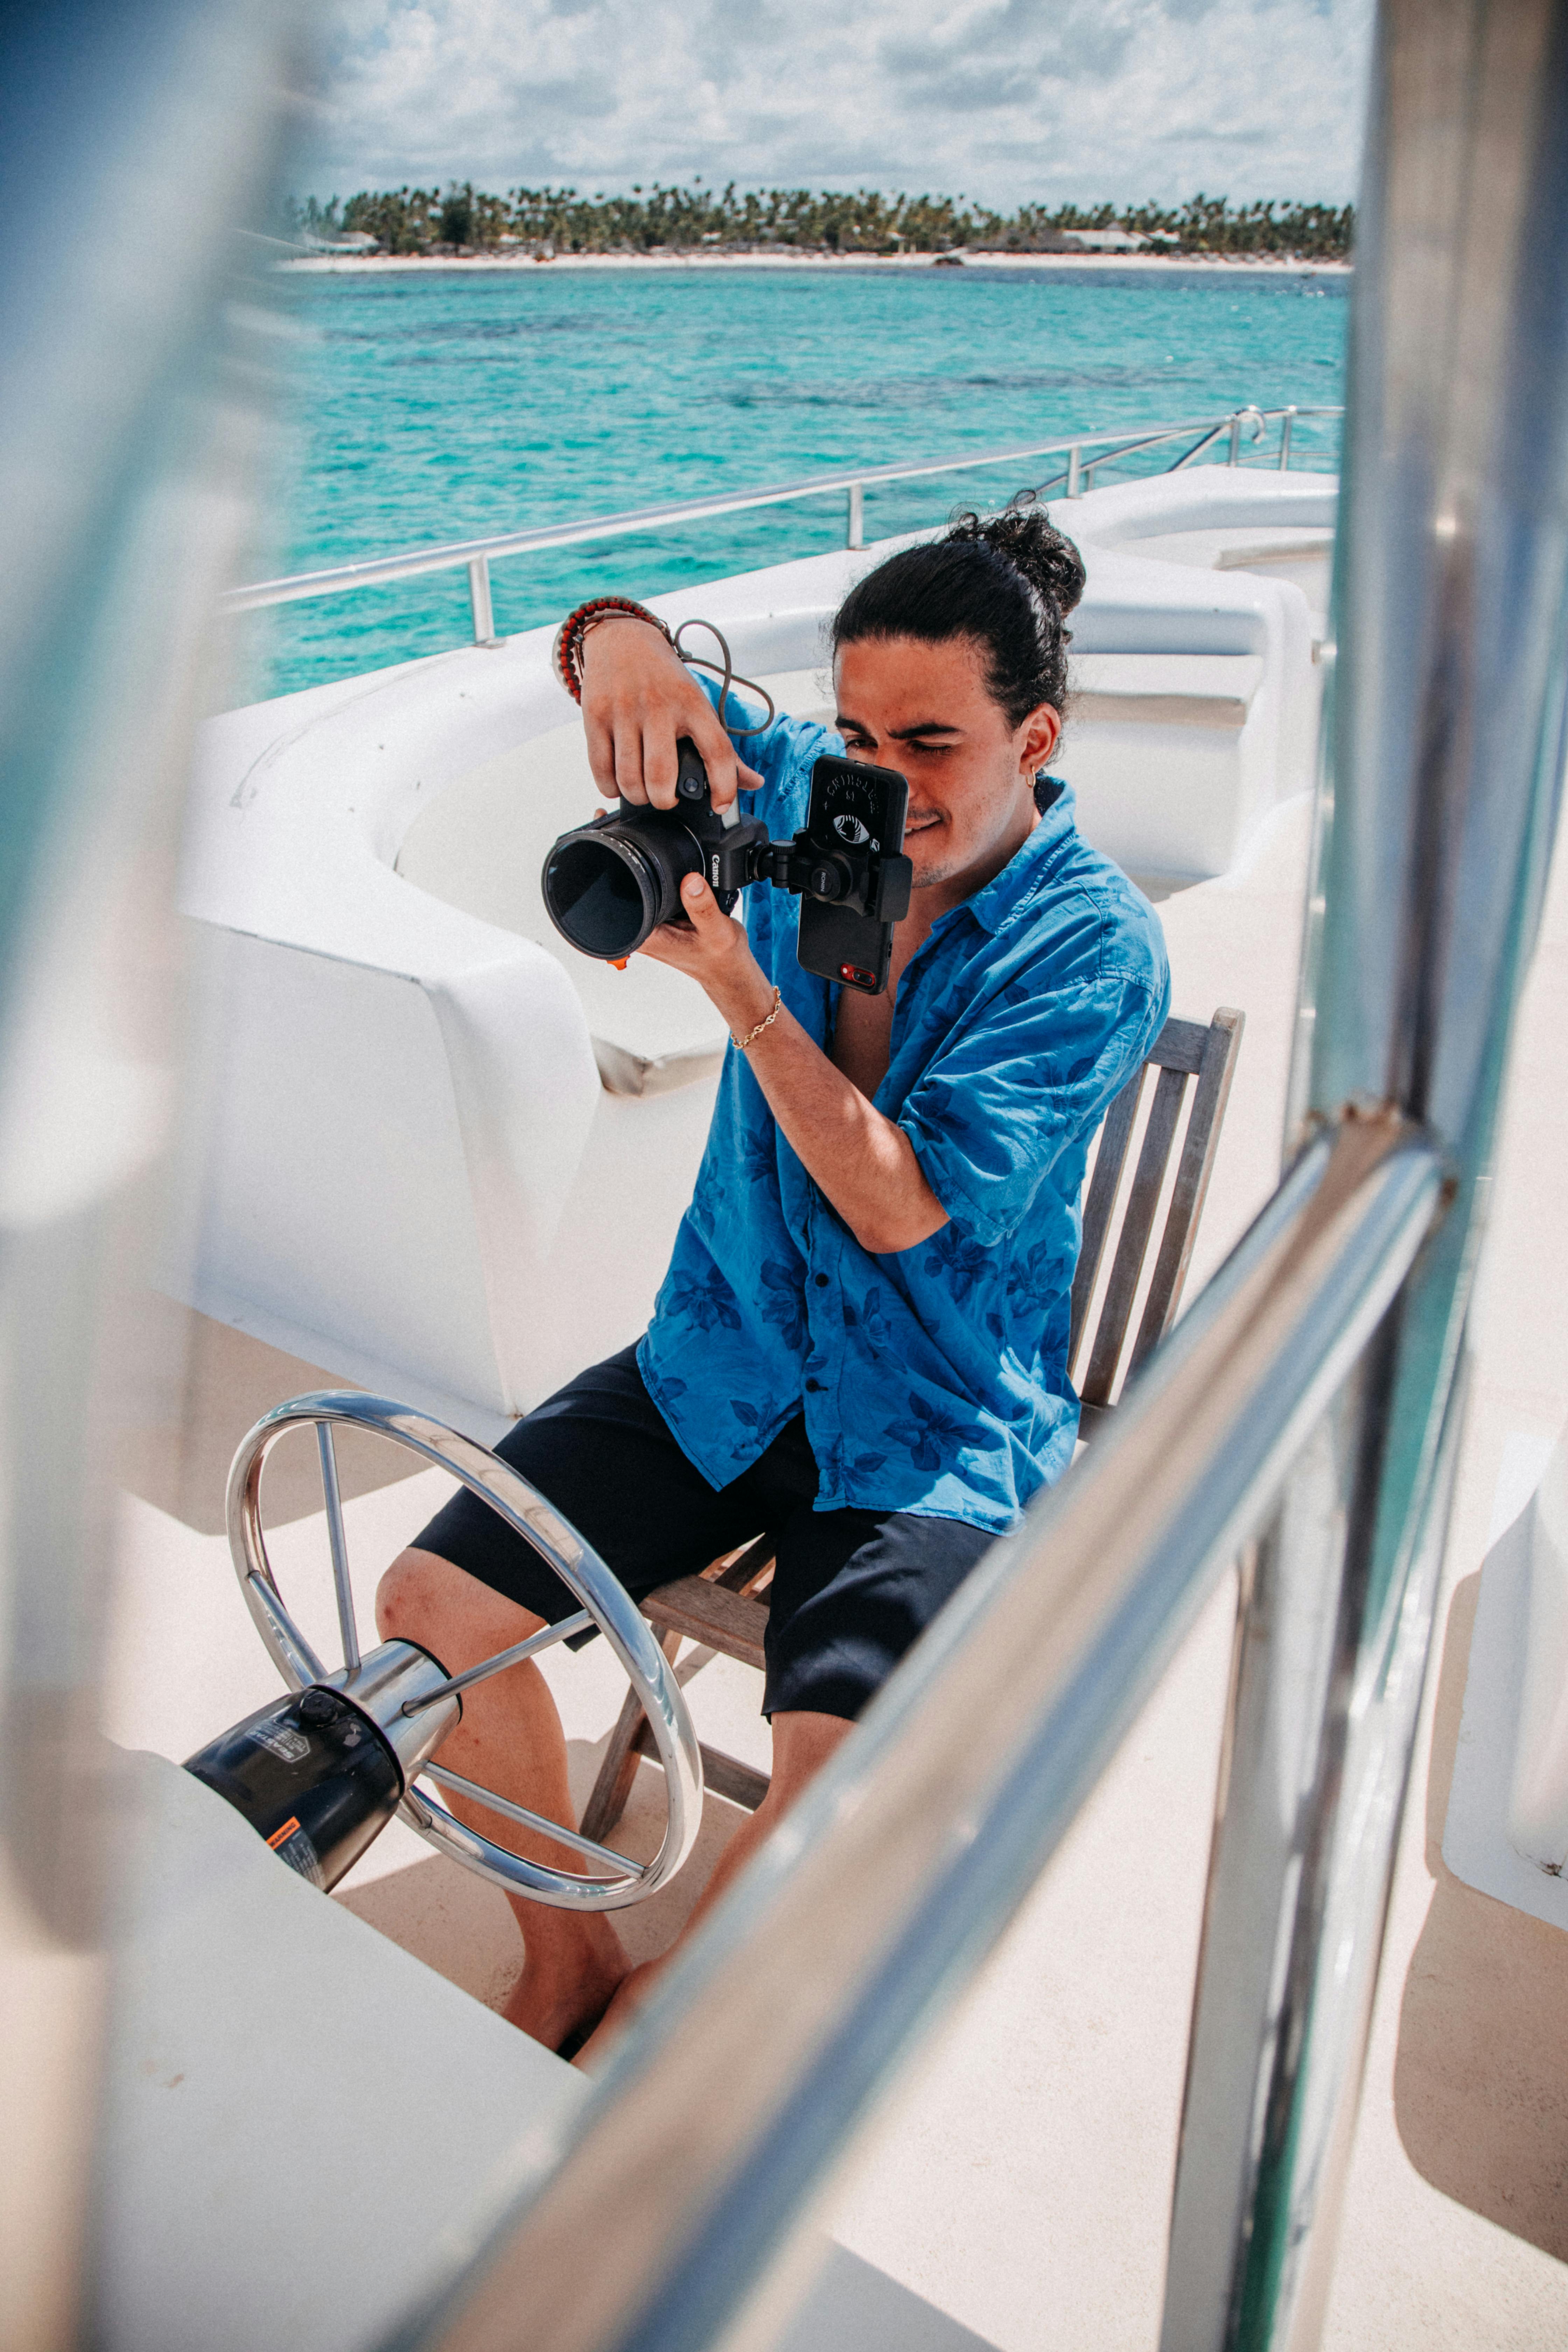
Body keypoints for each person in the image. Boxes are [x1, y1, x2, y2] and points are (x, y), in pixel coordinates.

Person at [376, 499, 1170, 2059]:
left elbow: (898, 1211)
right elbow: (609, 645)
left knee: (833, 1790)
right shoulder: (820, 790)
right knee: (429, 1606)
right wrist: (619, 646)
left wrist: (737, 988)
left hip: (931, 1419)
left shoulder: (1094, 949)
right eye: (862, 729)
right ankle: (569, 1957)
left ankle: (673, 2019)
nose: (885, 779)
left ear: (1038, 735)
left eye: (933, 742)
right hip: (726, 1355)